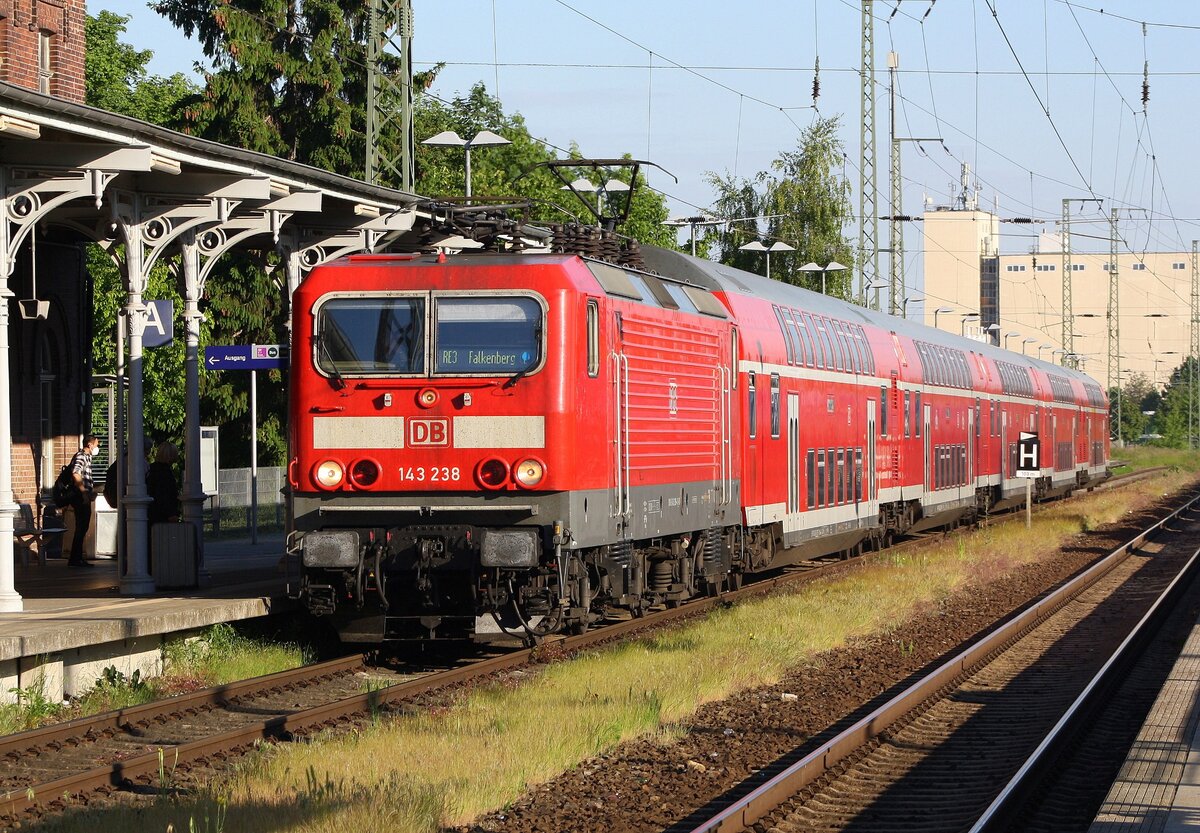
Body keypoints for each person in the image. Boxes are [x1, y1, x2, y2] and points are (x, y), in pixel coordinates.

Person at [67, 435, 99, 567]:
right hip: (80, 497)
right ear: (90, 445)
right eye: (96, 445)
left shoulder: (88, 457)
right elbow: (76, 473)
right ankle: (75, 558)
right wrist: (84, 492)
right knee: (81, 526)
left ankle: (77, 557)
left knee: (83, 527)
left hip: (84, 496)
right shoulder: (81, 456)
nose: (97, 448)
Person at [147, 441, 181, 526]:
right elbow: (164, 494)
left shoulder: (151, 469)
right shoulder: (165, 473)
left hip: (153, 513)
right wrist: (171, 513)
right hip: (163, 516)